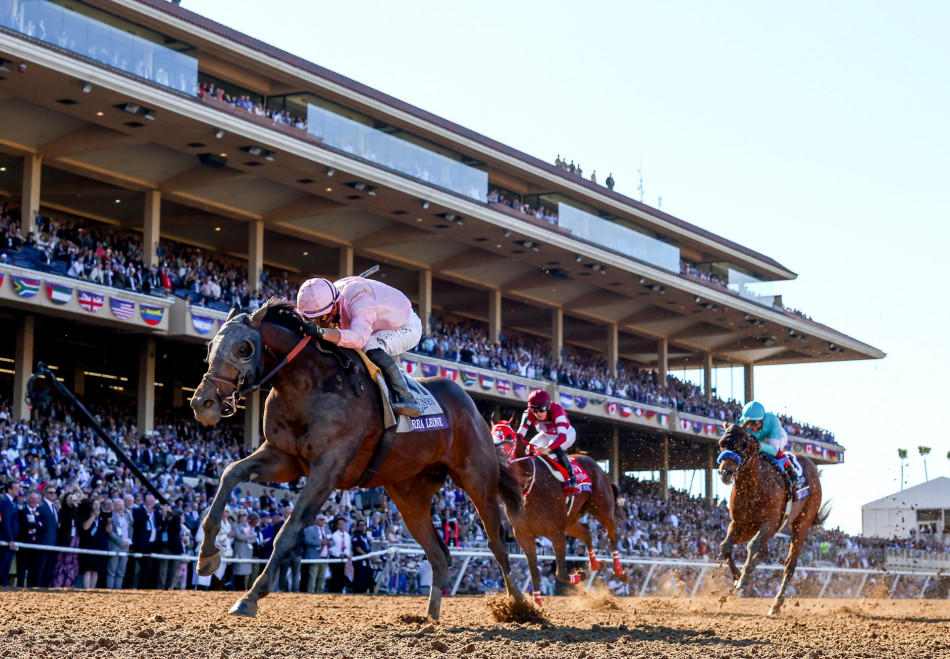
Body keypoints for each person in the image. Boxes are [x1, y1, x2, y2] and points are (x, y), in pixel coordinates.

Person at [296, 275, 424, 417]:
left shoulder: (360, 299)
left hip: (406, 326)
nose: (318, 323)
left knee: (369, 345)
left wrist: (322, 332)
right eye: (312, 319)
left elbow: (360, 338)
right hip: (373, 324)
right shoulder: (326, 296)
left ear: (334, 306)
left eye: (322, 318)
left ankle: (406, 397)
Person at [516, 389, 577, 495]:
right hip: (547, 434)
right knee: (529, 448)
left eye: (542, 409)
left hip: (566, 433)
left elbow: (562, 437)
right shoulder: (528, 413)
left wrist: (547, 449)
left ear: (548, 406)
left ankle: (572, 479)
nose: (538, 413)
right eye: (534, 410)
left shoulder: (557, 410)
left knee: (555, 446)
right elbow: (519, 436)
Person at [738, 401, 798, 483]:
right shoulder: (740, 422)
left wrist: (760, 445)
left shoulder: (773, 421)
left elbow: (774, 450)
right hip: (758, 439)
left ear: (762, 420)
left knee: (774, 453)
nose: (752, 427)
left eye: (755, 423)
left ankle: (791, 472)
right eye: (748, 423)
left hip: (777, 436)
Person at [49, 490, 81, 588]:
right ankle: (58, 584)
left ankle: (70, 585)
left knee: (73, 564)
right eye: (69, 498)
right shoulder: (62, 511)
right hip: (65, 540)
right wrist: (74, 507)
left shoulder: (77, 510)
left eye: (73, 498)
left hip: (75, 540)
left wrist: (76, 504)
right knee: (62, 564)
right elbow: (68, 520)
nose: (71, 500)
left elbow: (78, 523)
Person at [77, 497, 110, 589]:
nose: (97, 506)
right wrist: (94, 516)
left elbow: (108, 530)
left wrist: (110, 523)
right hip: (88, 544)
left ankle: (92, 589)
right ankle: (86, 589)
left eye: (98, 504)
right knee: (88, 569)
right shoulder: (86, 515)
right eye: (95, 504)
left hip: (99, 545)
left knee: (96, 570)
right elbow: (85, 527)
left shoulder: (102, 516)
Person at [17, 491, 46, 587]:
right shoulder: (22, 511)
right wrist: (38, 524)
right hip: (25, 544)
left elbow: (43, 527)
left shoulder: (40, 512)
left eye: (35, 499)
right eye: (31, 498)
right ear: (27, 499)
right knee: (22, 568)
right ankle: (20, 590)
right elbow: (26, 524)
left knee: (33, 569)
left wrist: (37, 525)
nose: (33, 501)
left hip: (35, 544)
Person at [37, 484, 61, 587]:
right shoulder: (42, 507)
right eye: (50, 492)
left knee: (48, 569)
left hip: (53, 543)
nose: (53, 495)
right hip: (44, 543)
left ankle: (44, 589)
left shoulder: (54, 508)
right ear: (45, 494)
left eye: (54, 493)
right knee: (40, 569)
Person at [106, 497, 132, 589]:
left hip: (125, 547)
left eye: (122, 505)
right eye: (119, 505)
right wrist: (120, 542)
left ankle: (118, 590)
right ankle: (110, 591)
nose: (121, 507)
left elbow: (130, 529)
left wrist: (129, 540)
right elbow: (110, 532)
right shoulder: (111, 516)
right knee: (112, 571)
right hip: (115, 546)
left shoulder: (126, 516)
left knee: (121, 572)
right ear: (114, 506)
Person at [303, 513, 330, 594]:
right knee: (313, 576)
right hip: (314, 557)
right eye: (320, 519)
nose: (322, 521)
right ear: (316, 520)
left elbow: (332, 540)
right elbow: (307, 540)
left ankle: (320, 592)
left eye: (324, 520)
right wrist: (320, 542)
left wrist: (330, 543)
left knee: (322, 577)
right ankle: (311, 592)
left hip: (324, 557)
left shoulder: (327, 530)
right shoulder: (310, 529)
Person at [0, 480, 20, 587]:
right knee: (2, 568)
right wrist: (10, 540)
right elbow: (5, 522)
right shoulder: (5, 502)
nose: (18, 490)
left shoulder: (11, 502)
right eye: (16, 488)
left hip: (8, 542)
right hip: (5, 542)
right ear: (10, 489)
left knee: (5, 570)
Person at [231, 509, 256, 592]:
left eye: (244, 515)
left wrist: (246, 539)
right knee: (239, 574)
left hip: (248, 553)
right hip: (240, 551)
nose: (242, 517)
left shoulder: (250, 527)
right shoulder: (235, 526)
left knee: (247, 575)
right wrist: (249, 536)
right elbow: (239, 536)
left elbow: (254, 539)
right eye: (240, 515)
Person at [327, 517, 351, 593]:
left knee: (342, 577)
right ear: (337, 526)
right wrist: (338, 554)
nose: (342, 525)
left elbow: (348, 547)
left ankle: (340, 591)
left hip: (344, 559)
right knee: (335, 577)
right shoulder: (334, 535)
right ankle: (333, 591)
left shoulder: (347, 535)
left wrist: (347, 554)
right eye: (340, 524)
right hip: (335, 559)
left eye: (343, 524)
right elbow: (330, 549)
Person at [350, 520, 372, 594]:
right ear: (358, 527)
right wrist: (366, 555)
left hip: (366, 561)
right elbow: (358, 548)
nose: (363, 527)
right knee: (358, 577)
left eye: (364, 525)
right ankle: (357, 593)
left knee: (365, 578)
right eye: (361, 525)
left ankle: (363, 592)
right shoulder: (356, 537)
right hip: (359, 560)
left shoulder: (365, 537)